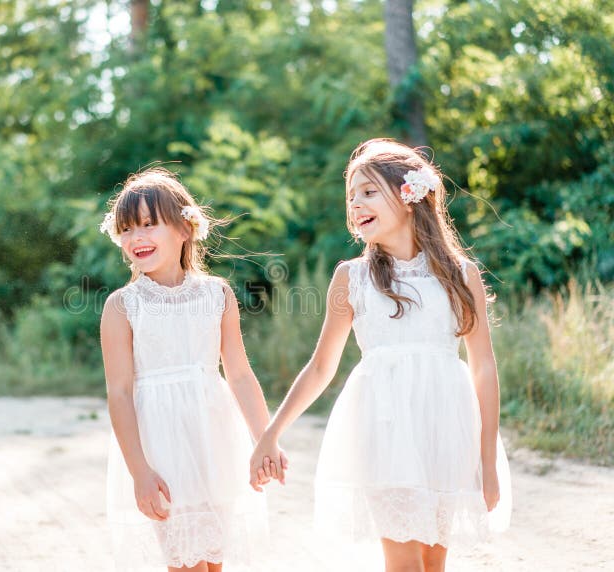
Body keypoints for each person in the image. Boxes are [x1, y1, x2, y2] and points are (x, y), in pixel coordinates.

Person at [250, 139, 511, 571]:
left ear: (409, 196)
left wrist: (486, 459)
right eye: (351, 196)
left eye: (368, 192)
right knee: (404, 563)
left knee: (432, 563)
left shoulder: (461, 276)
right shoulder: (351, 278)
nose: (355, 205)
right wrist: (270, 433)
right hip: (385, 430)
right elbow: (321, 367)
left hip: (447, 429)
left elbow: (483, 367)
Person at [101, 168, 279, 572]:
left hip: (214, 440)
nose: (136, 238)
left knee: (213, 561)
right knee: (184, 563)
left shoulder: (217, 295)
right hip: (159, 447)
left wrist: (265, 439)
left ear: (185, 228)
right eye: (126, 229)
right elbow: (120, 394)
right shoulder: (122, 306)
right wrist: (139, 471)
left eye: (149, 225)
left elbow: (239, 375)